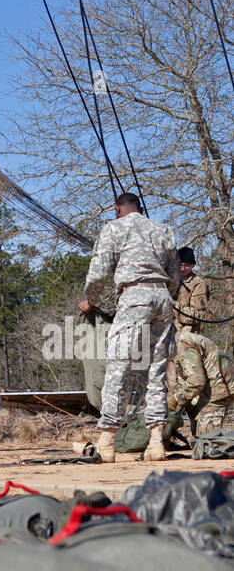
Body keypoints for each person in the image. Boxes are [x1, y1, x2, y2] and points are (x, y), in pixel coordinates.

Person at [79, 191, 179, 464]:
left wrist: (90, 300)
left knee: (118, 367)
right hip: (163, 300)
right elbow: (174, 276)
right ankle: (156, 442)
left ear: (117, 209)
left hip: (134, 298)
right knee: (157, 372)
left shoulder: (114, 227)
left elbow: (99, 272)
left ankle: (108, 440)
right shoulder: (163, 230)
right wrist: (166, 296)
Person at [167, 332, 234, 438]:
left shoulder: (183, 344)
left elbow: (197, 381)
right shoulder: (172, 347)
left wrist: (174, 400)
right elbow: (178, 382)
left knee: (206, 443)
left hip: (220, 388)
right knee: (197, 440)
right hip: (206, 389)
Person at [173, 247, 212, 335]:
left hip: (185, 333)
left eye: (186, 265)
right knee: (143, 342)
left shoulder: (198, 284)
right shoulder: (168, 278)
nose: (182, 269)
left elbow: (199, 315)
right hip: (163, 329)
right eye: (179, 264)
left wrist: (175, 307)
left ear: (193, 265)